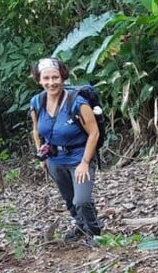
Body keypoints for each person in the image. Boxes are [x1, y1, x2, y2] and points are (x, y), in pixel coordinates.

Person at [30, 58, 103, 244]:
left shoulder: (77, 103)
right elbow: (36, 130)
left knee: (82, 200)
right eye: (46, 78)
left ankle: (94, 232)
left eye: (55, 77)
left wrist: (85, 163)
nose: (51, 82)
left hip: (79, 155)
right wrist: (41, 156)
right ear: (39, 79)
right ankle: (80, 225)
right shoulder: (37, 102)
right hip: (55, 158)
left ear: (63, 77)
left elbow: (94, 132)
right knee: (69, 199)